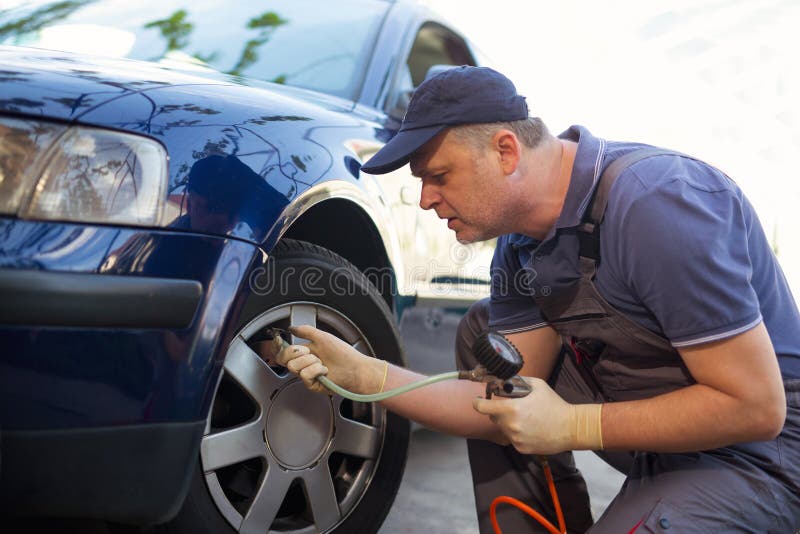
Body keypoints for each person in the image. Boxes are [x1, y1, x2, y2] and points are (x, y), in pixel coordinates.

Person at [272, 66, 800, 532]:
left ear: (506, 150)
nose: (426, 198)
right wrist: (370, 377)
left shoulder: (657, 204)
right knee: (487, 338)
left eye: (439, 175)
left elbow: (755, 407)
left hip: (754, 456)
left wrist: (575, 426)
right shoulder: (521, 247)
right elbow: (498, 404)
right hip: (659, 443)